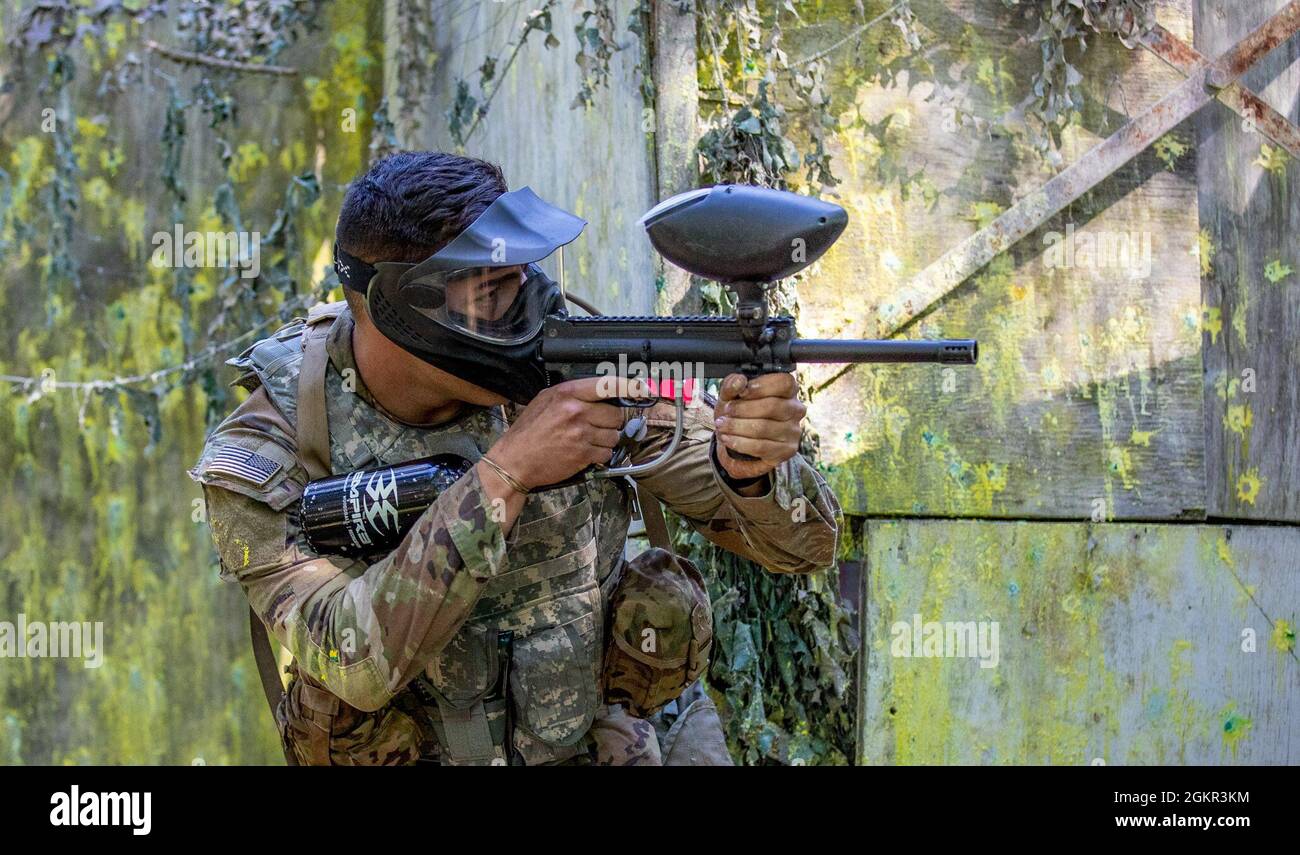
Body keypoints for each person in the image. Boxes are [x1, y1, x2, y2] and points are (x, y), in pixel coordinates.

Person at [189, 151, 841, 765]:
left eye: (524, 276)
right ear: (403, 309)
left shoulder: (575, 369)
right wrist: (506, 474)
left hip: (601, 738)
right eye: (495, 290)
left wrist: (750, 468)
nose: (534, 308)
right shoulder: (269, 449)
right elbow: (351, 660)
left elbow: (805, 545)